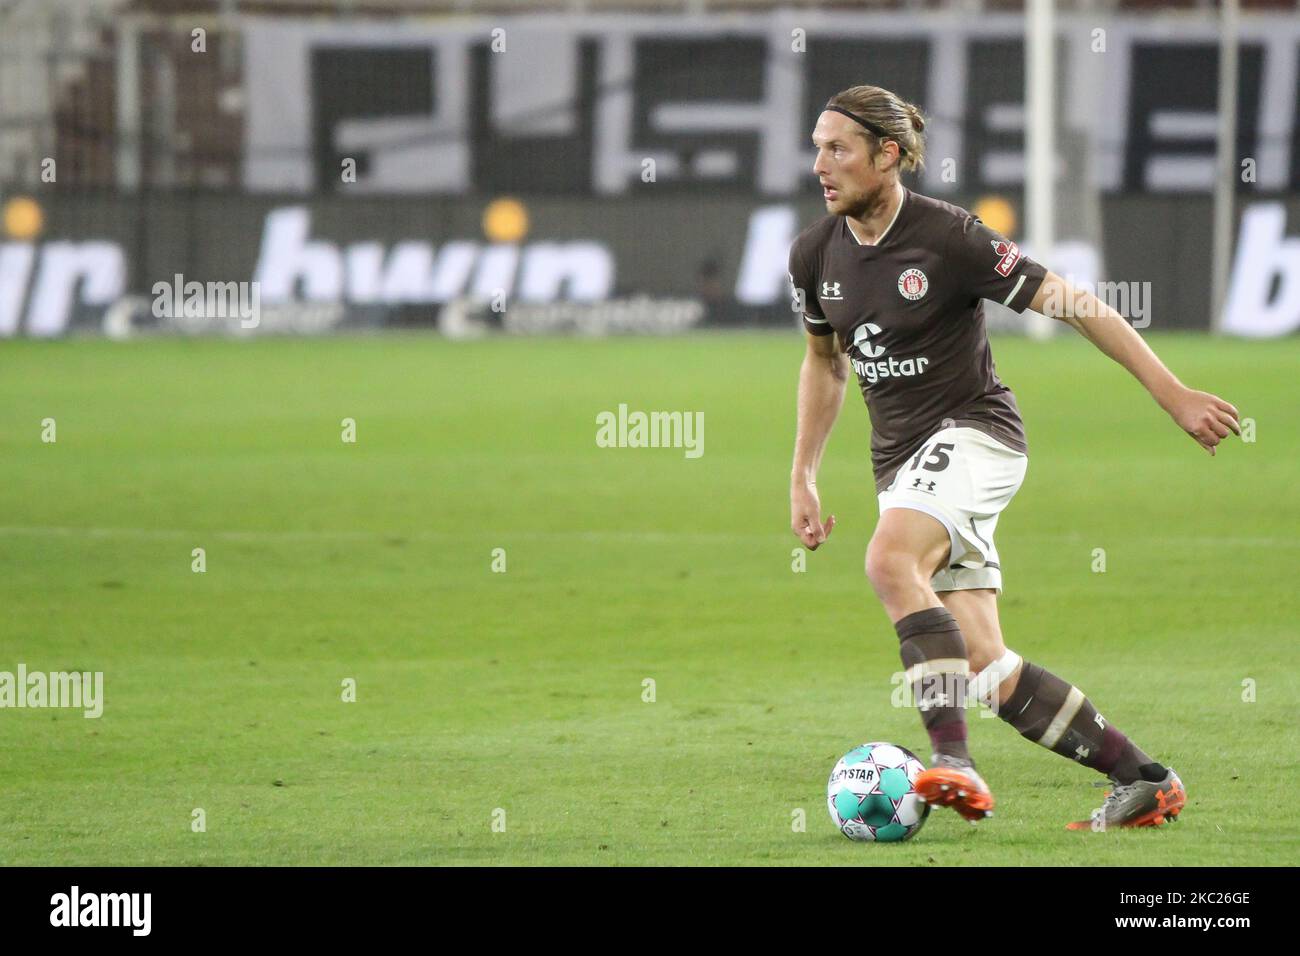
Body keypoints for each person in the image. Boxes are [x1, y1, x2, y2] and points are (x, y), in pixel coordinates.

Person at [788, 85, 1240, 829]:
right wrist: (803, 474)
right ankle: (1143, 779)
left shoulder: (951, 237)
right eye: (817, 148)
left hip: (976, 435)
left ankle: (955, 761)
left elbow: (1076, 304)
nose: (819, 165)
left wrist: (1174, 394)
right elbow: (824, 362)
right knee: (983, 664)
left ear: (888, 154)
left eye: (837, 148)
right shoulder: (815, 253)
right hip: (901, 466)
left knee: (889, 562)